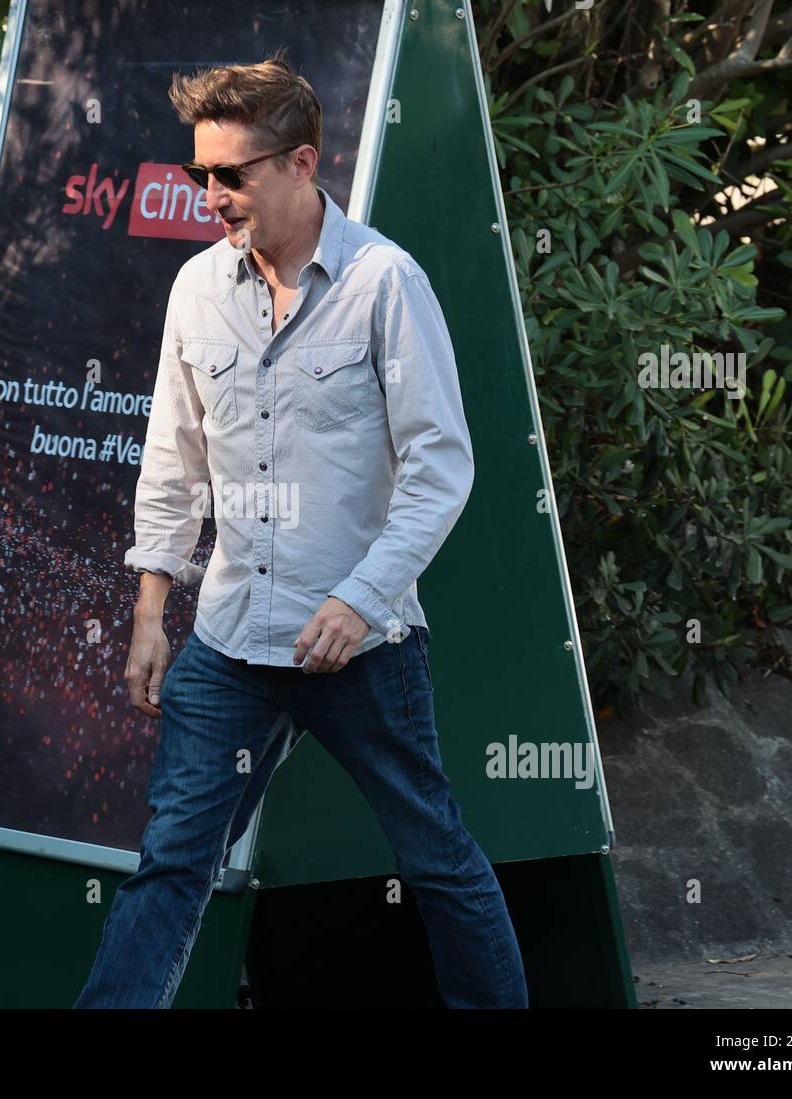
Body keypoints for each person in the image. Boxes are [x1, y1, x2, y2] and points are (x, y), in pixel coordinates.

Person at [74, 50, 527, 1009]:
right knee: (169, 865)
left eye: (231, 175)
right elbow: (173, 459)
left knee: (438, 861)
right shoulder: (196, 290)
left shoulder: (384, 284)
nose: (211, 196)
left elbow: (443, 465)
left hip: (359, 646)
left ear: (301, 163)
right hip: (231, 642)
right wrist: (152, 607)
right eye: (202, 174)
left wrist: (360, 601)